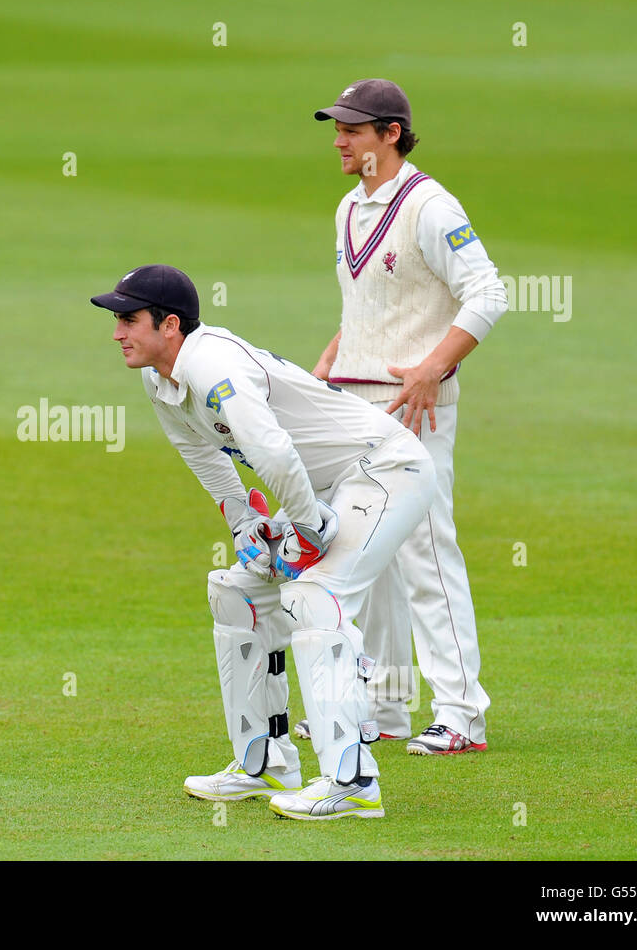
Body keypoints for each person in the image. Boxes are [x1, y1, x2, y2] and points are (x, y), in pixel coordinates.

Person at [93, 264, 435, 819]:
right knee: (240, 592)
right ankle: (266, 763)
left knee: (315, 596)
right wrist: (243, 526)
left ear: (170, 324)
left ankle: (353, 782)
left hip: (383, 469)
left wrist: (305, 525)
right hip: (322, 483)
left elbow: (273, 451)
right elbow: (201, 454)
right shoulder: (160, 378)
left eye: (128, 320)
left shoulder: (212, 364)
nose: (116, 333)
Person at [307, 79, 505, 754]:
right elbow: (360, 306)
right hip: (352, 403)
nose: (339, 140)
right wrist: (329, 361)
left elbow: (488, 292)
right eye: (337, 128)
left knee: (424, 551)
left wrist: (434, 366)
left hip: (413, 407)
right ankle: (386, 709)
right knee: (369, 550)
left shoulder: (429, 204)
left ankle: (462, 713)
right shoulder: (348, 208)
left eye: (352, 130)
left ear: (391, 133)